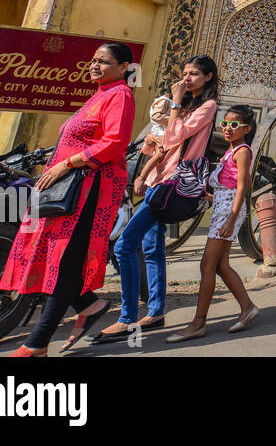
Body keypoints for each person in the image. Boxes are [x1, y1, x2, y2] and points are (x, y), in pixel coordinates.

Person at [0, 43, 137, 356]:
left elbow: (115, 142)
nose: (95, 65)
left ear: (124, 66)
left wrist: (67, 163)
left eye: (103, 61)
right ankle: (90, 304)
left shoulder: (120, 95)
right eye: (94, 60)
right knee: (59, 257)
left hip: (90, 190)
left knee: (64, 262)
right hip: (69, 189)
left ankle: (37, 343)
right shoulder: (99, 94)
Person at [93, 55, 218, 343]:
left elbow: (175, 136)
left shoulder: (207, 107)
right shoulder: (187, 106)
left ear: (208, 77)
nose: (187, 79)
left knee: (124, 246)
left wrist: (174, 103)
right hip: (157, 180)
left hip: (171, 183)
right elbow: (162, 141)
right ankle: (155, 311)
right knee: (152, 247)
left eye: (195, 74)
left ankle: (126, 318)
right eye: (185, 73)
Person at [167, 105, 261, 342]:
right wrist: (212, 195)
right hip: (222, 205)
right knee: (219, 265)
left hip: (227, 211)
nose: (228, 129)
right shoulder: (230, 152)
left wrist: (231, 218)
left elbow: (242, 187)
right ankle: (247, 307)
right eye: (225, 124)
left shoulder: (242, 151)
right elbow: (236, 183)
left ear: (246, 129)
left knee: (207, 265)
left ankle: (198, 323)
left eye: (234, 125)